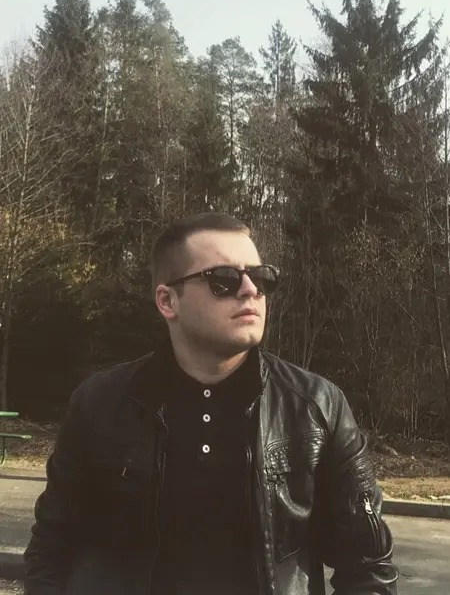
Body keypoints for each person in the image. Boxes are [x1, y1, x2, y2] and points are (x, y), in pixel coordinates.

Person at [24, 212, 398, 595]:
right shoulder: (99, 404)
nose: (250, 290)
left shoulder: (317, 407)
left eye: (261, 277)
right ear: (168, 301)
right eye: (224, 279)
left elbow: (369, 567)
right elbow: (51, 550)